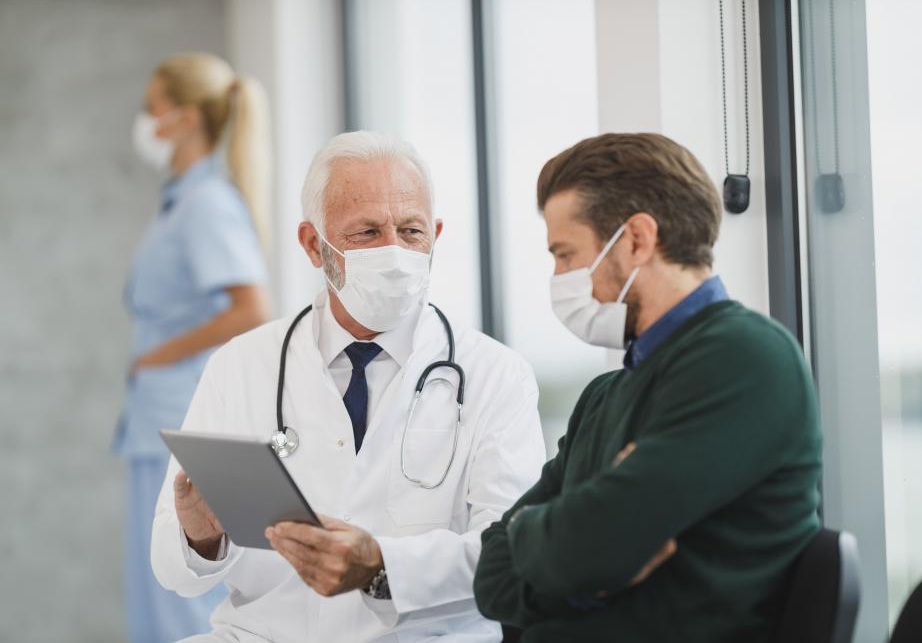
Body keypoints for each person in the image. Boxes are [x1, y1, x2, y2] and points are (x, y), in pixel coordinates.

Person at [151, 131, 547, 642]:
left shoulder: (496, 374)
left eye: (410, 231)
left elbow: (510, 553)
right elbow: (171, 569)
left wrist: (383, 565)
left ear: (436, 235)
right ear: (314, 245)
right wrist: (199, 537)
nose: (394, 252)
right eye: (366, 233)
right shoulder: (241, 365)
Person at [473, 132, 822, 642]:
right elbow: (493, 576)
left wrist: (533, 529)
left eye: (566, 254)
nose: (558, 276)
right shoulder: (604, 396)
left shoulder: (744, 358)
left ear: (636, 239)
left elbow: (584, 546)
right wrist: (582, 566)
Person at [116, 53, 272, 642]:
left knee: (181, 600)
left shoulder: (207, 204)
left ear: (183, 118)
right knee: (157, 599)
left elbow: (252, 308)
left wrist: (154, 356)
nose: (145, 121)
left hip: (179, 420)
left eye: (152, 108)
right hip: (155, 420)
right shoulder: (182, 200)